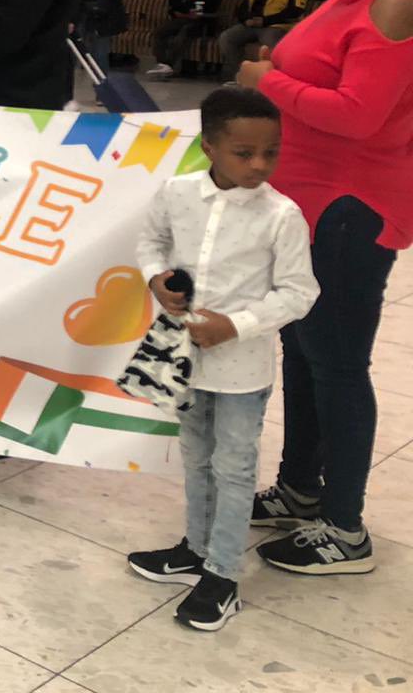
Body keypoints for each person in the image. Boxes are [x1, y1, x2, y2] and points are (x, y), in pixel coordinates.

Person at [237, 0, 413, 575]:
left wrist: (264, 82)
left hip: (350, 211)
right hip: (307, 207)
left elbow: (357, 116)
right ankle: (300, 489)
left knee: (337, 365)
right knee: (305, 357)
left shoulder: (397, 1)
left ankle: (346, 528)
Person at [126, 87, 318, 632]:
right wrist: (155, 280)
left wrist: (235, 325)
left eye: (271, 152)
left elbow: (300, 293)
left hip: (243, 369)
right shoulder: (176, 193)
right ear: (210, 147)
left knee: (233, 468)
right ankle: (193, 548)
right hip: (184, 358)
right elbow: (151, 245)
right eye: (244, 152)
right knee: (195, 455)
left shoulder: (283, 216)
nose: (259, 164)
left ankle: (223, 575)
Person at [217, 0, 308, 81]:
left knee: (271, 42)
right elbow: (243, 7)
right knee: (227, 38)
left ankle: (275, 79)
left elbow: (294, 12)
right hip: (252, 24)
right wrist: (246, 19)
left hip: (277, 26)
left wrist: (265, 21)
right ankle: (240, 75)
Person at [147, 0, 223, 78]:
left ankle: (169, 65)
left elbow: (205, 5)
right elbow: (173, 0)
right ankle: (162, 64)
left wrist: (185, 5)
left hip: (202, 21)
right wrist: (187, 7)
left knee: (184, 32)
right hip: (182, 17)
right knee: (160, 32)